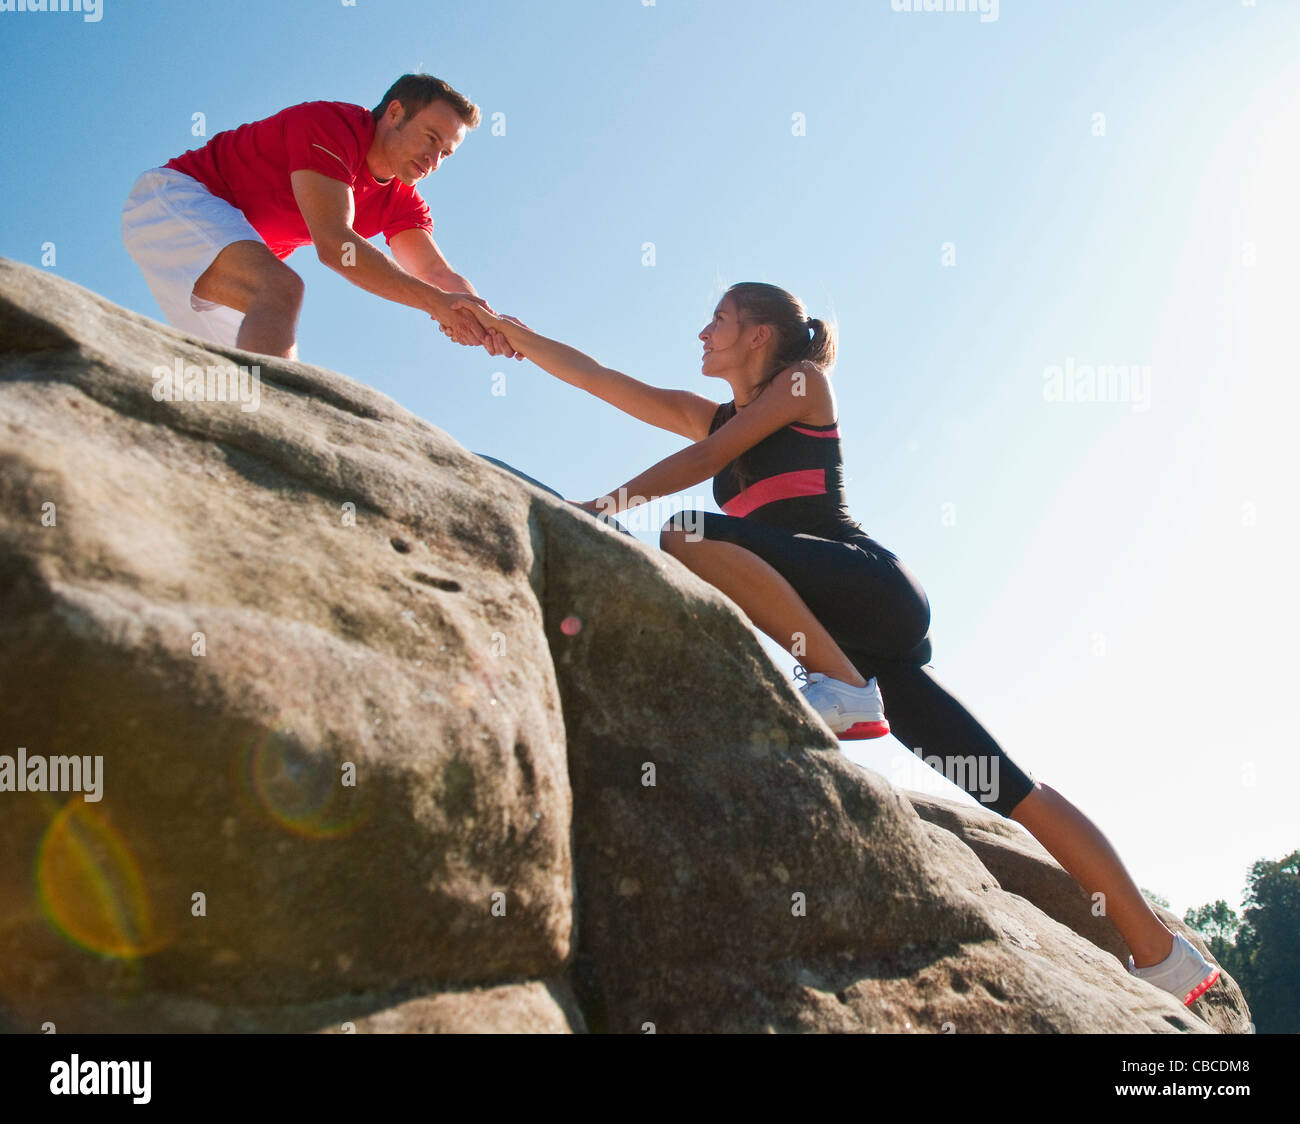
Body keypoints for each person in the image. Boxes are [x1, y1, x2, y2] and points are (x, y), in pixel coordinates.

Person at [451, 282, 1222, 1008]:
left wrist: (603, 505)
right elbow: (598, 378)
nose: (702, 333)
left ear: (759, 334)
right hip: (853, 634)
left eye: (718, 320)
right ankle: (1163, 955)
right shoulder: (710, 415)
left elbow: (707, 465)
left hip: (870, 589)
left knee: (686, 532)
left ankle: (843, 687)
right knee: (1008, 787)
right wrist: (514, 335)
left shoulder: (801, 384)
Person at [120, 73, 522, 361]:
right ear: (395, 112)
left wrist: (489, 322)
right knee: (281, 290)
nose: (433, 160)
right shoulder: (333, 127)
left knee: (250, 374)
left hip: (227, 254)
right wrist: (437, 305)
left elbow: (434, 272)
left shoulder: (402, 201)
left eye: (445, 153)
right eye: (431, 138)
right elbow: (335, 245)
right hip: (176, 200)